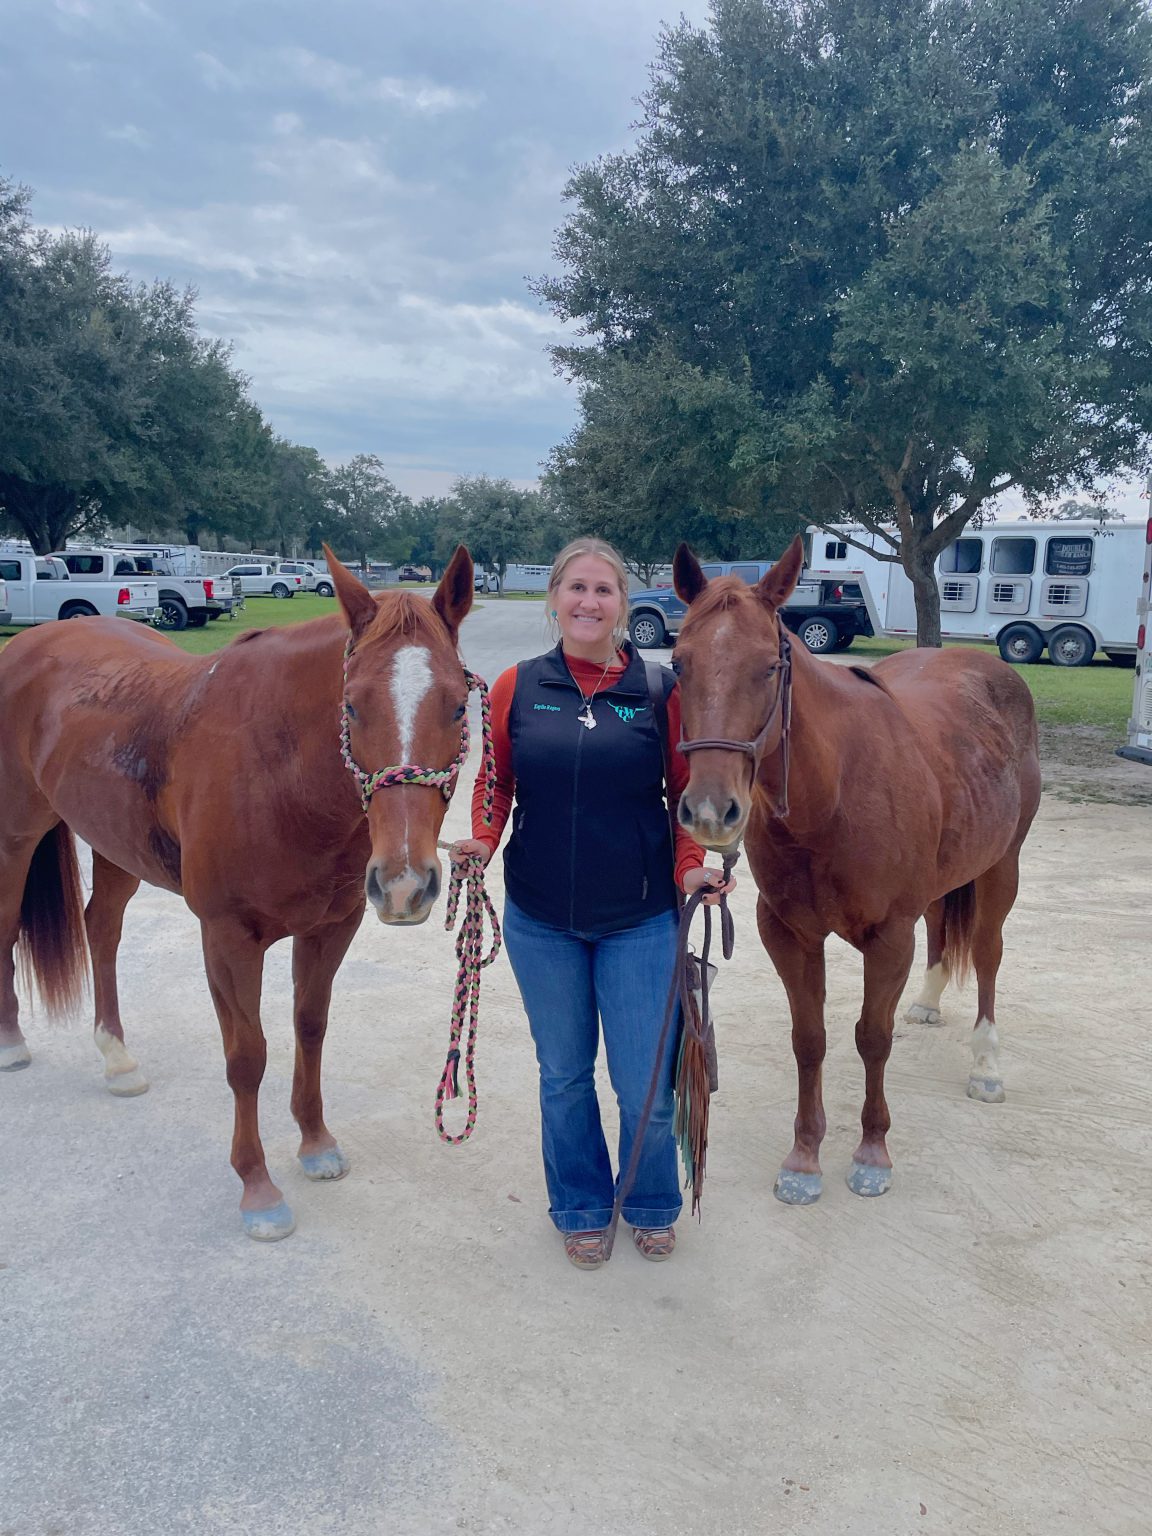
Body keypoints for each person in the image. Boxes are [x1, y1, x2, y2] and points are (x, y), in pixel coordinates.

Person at [450, 538, 735, 1270]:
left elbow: (684, 798)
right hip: (541, 919)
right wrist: (482, 840)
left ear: (623, 604)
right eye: (576, 588)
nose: (588, 601)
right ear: (555, 599)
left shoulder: (661, 690)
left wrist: (695, 869)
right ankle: (579, 1203)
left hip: (640, 920)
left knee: (643, 1079)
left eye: (604, 589)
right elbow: (497, 783)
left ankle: (648, 1203)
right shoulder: (518, 685)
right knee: (565, 1075)